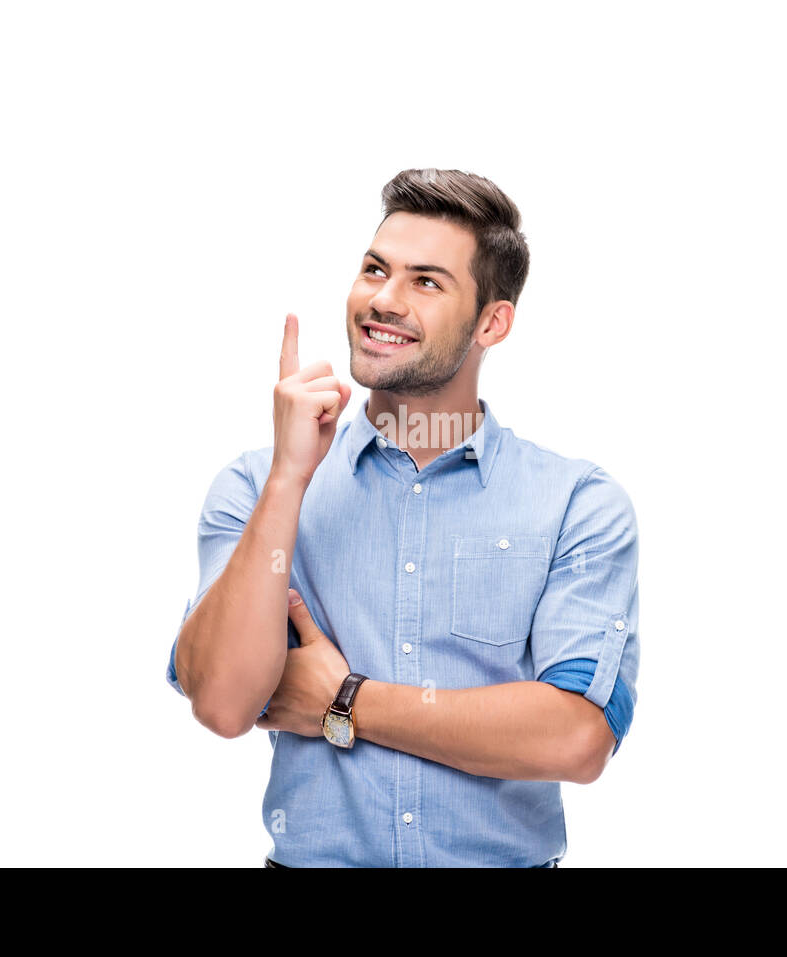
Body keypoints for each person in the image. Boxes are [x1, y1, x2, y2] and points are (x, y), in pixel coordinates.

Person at [166, 168, 639, 867]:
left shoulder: (576, 504)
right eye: (374, 269)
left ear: (492, 321)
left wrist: (345, 700)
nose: (381, 300)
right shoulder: (255, 486)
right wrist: (289, 479)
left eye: (426, 281)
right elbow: (222, 702)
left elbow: (575, 739)